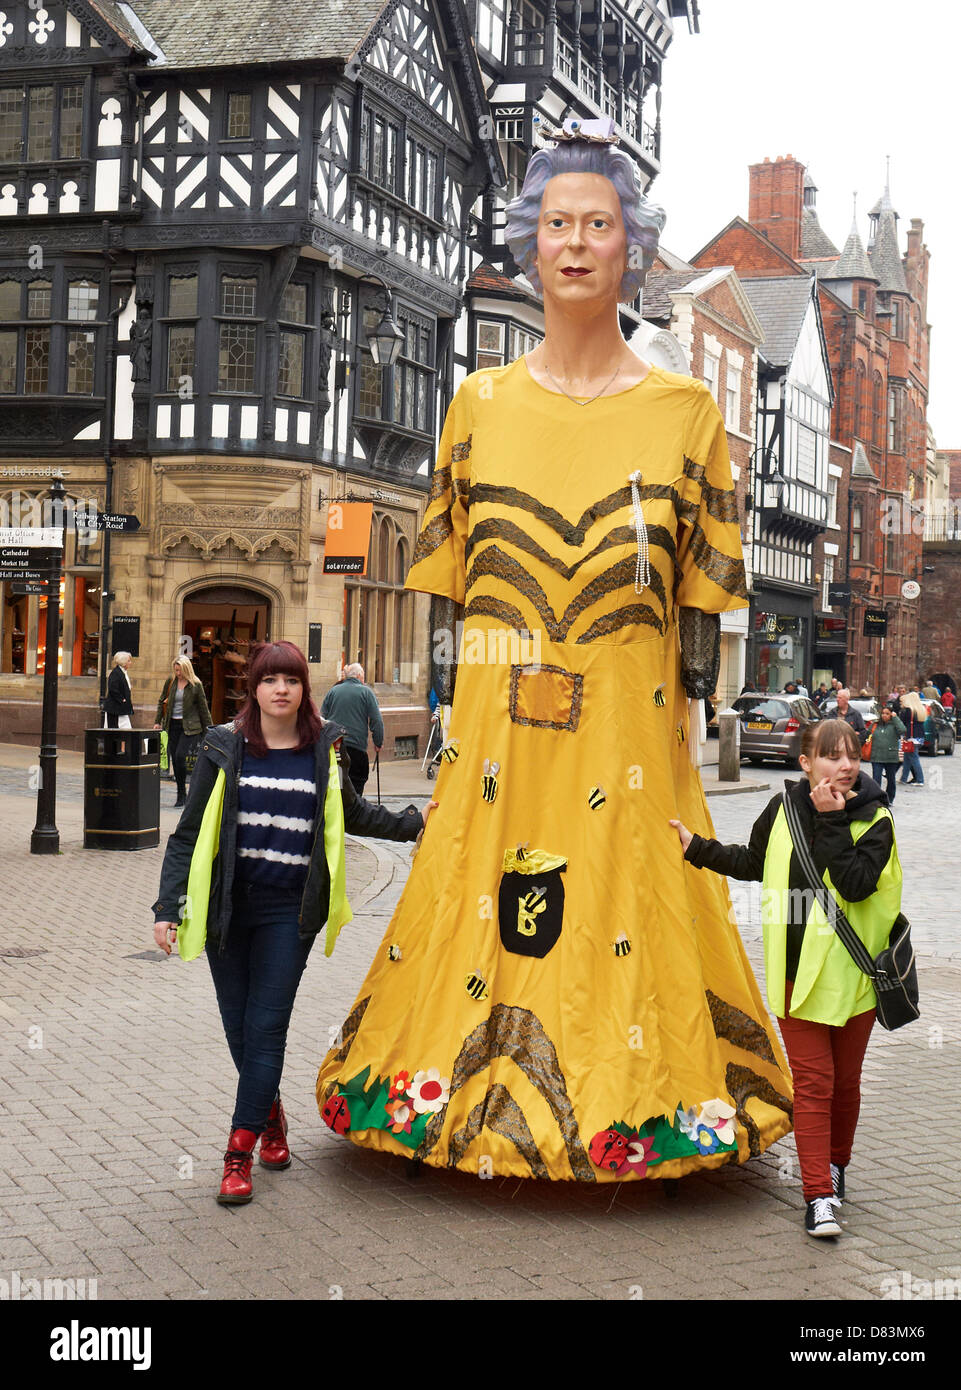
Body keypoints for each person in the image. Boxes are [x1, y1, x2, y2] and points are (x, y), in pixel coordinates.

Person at [315, 117, 794, 1184]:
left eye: (600, 224)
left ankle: (643, 1100)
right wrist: (446, 721)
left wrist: (697, 711)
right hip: (494, 727)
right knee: (487, 886)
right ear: (533, 242)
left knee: (629, 886)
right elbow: (449, 600)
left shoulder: (686, 412)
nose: (576, 243)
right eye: (558, 224)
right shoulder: (477, 405)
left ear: (632, 248)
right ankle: (449, 1088)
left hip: (632, 720)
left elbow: (704, 604)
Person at [151, 641, 434, 1205]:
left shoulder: (322, 748)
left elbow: (353, 813)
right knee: (240, 1032)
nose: (281, 689)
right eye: (269, 679)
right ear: (253, 688)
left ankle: (238, 1152)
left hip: (290, 912)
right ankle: (271, 1117)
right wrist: (167, 908)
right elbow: (186, 834)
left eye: (292, 680)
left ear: (305, 688)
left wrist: (415, 823)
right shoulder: (224, 746)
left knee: (266, 1028)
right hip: (227, 909)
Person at [670, 718, 901, 1238]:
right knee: (815, 1086)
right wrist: (696, 847)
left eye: (852, 757)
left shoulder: (875, 817)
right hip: (797, 979)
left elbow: (858, 885)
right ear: (805, 763)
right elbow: (754, 861)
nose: (845, 766)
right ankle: (818, 1195)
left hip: (855, 981)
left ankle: (837, 1166)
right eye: (832, 756)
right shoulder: (782, 810)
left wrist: (834, 821)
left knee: (845, 1085)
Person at [153, 656, 212, 808]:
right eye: (176, 670)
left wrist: (209, 730)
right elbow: (162, 701)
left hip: (190, 727)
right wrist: (157, 721)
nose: (177, 673)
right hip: (172, 725)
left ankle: (184, 793)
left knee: (180, 756)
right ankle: (181, 793)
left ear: (186, 669)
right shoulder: (171, 682)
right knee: (175, 760)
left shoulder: (195, 684)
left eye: (180, 670)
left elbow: (203, 708)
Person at [320, 663, 383, 796]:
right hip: (356, 749)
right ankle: (354, 814)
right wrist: (378, 742)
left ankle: (339, 813)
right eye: (363, 677)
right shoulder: (366, 692)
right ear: (359, 676)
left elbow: (322, 718)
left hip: (335, 749)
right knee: (355, 787)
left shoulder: (333, 691)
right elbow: (376, 720)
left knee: (337, 787)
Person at [869, 705, 905, 805]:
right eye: (883, 713)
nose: (884, 715)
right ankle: (876, 798)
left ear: (891, 715)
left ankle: (889, 798)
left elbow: (903, 730)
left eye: (887, 714)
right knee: (876, 780)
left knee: (891, 780)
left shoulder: (895, 725)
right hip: (877, 756)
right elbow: (867, 735)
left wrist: (895, 718)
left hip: (891, 757)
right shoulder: (875, 725)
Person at [898, 692, 926, 785]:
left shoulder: (908, 710)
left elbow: (901, 722)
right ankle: (903, 779)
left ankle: (920, 780)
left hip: (911, 737)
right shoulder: (920, 709)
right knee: (907, 759)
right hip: (919, 737)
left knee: (914, 759)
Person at [104, 651, 134, 729]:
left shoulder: (123, 672)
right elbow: (113, 689)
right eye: (129, 661)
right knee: (115, 732)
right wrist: (122, 699)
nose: (130, 663)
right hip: (115, 709)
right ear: (123, 662)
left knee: (125, 731)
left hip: (121, 709)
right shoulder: (116, 673)